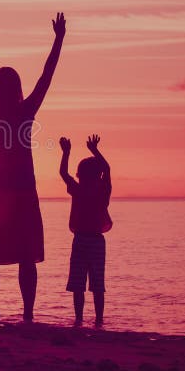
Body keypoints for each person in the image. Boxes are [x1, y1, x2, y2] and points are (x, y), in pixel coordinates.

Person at [0, 12, 67, 322]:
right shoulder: (23, 110)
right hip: (19, 190)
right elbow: (46, 76)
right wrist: (58, 39)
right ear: (17, 87)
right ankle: (27, 314)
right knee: (25, 255)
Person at [59, 134, 113, 327]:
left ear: (81, 175)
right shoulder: (102, 189)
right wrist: (94, 150)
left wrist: (66, 153)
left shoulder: (79, 189)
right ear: (98, 175)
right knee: (95, 284)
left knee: (78, 283)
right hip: (95, 240)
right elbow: (106, 169)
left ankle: (80, 319)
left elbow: (64, 173)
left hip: (82, 239)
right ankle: (97, 320)